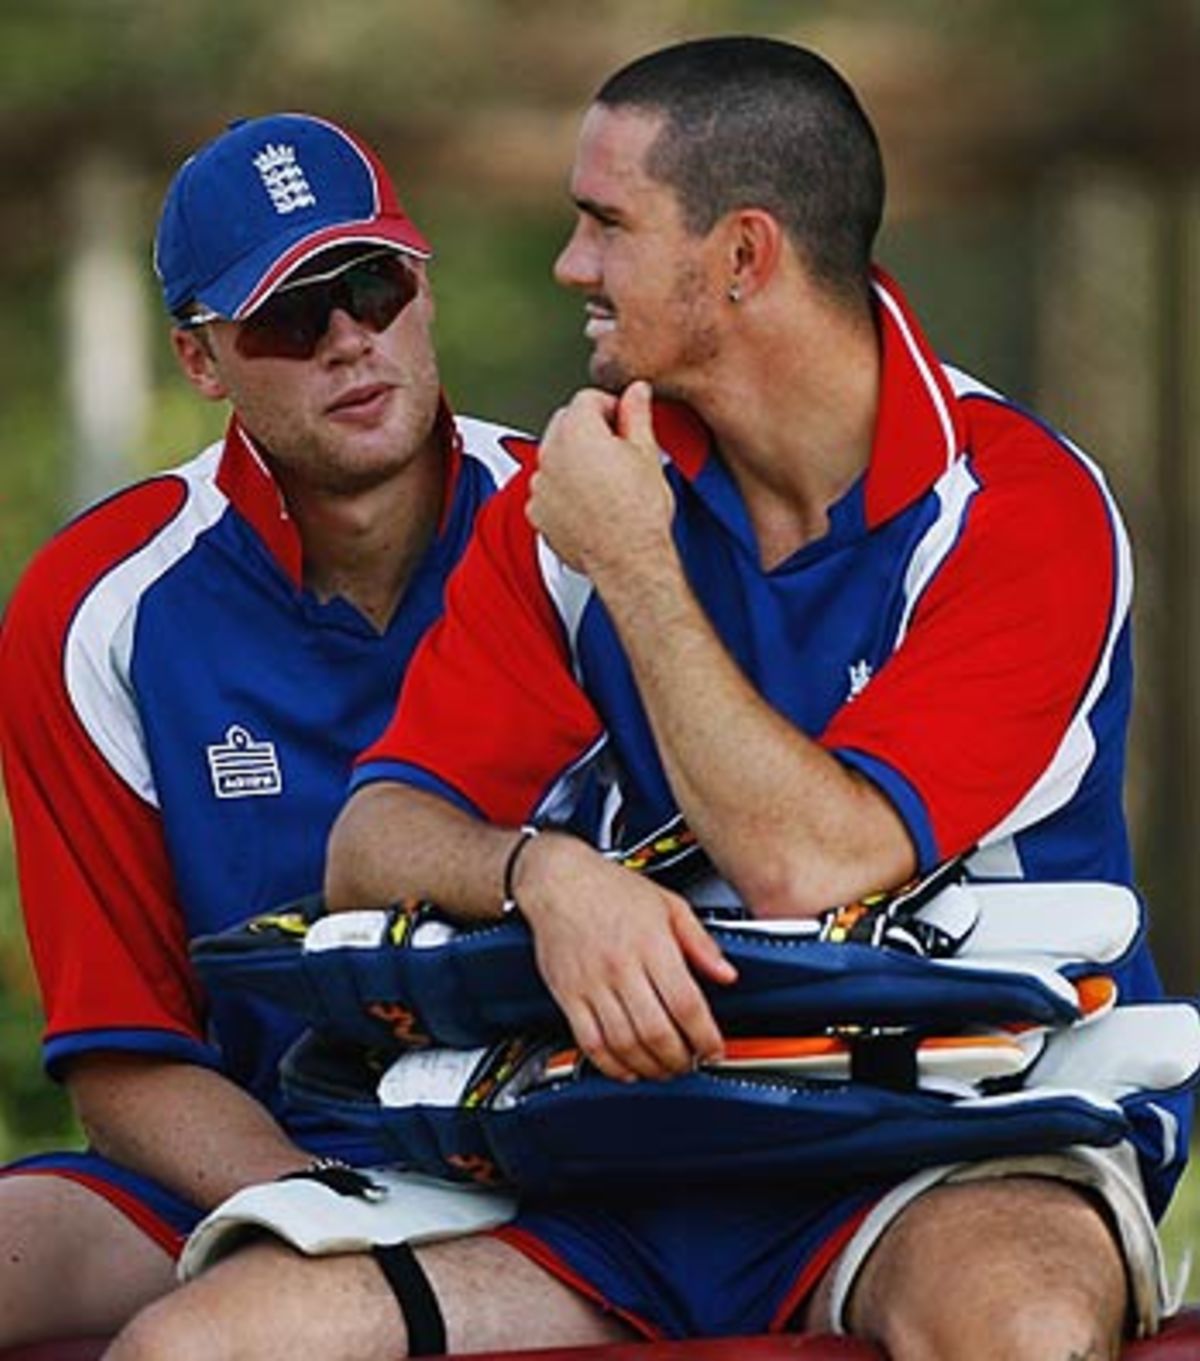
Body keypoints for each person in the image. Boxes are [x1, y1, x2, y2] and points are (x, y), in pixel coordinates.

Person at [101, 37, 1190, 1361]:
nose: (571, 265)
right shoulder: (585, 489)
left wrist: (636, 566)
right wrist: (542, 876)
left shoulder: (1024, 511)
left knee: (1018, 1324)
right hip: (618, 1151)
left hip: (952, 1148)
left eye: (605, 225)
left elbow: (812, 861)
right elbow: (370, 837)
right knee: (197, 1345)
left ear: (741, 257)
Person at [0, 111, 530, 1347]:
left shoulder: (577, 522)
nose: (352, 339)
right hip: (241, 1155)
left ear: (423, 291)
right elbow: (122, 1050)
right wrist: (312, 1211)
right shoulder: (98, 606)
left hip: (554, 1161)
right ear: (201, 359)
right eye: (293, 315)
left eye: (375, 285)